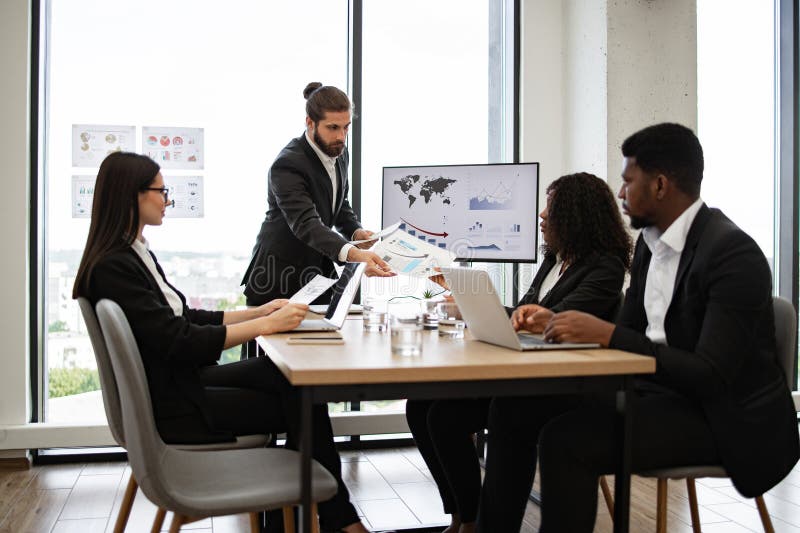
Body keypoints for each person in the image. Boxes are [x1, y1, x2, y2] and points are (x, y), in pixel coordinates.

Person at [476, 123, 800, 532]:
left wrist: (605, 333)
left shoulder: (733, 255)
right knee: (513, 409)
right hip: (653, 392)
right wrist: (590, 332)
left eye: (629, 181)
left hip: (722, 419)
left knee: (566, 441)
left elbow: (711, 376)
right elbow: (629, 332)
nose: (620, 193)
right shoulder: (649, 244)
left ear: (660, 185)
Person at [73, 152, 373, 533]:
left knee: (289, 381)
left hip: (179, 384)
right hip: (177, 406)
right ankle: (334, 519)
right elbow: (180, 340)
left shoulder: (130, 252)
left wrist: (259, 313)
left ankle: (309, 519)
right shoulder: (116, 266)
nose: (167, 200)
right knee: (300, 399)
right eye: (161, 191)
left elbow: (183, 317)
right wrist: (265, 325)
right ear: (131, 195)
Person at [406, 172, 633, 533]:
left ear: (577, 214)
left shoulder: (605, 268)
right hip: (531, 373)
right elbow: (525, 313)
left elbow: (554, 319)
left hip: (569, 385)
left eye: (551, 207)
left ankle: (490, 525)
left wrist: (508, 314)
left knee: (501, 411)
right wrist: (469, 302)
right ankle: (465, 516)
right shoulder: (554, 260)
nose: (541, 215)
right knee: (424, 406)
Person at [241, 82, 393, 311]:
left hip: (318, 276)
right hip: (277, 277)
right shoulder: (288, 164)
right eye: (333, 127)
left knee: (326, 332)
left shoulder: (339, 151)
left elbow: (338, 203)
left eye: (346, 127)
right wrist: (354, 254)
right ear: (310, 123)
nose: (341, 136)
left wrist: (355, 231)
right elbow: (305, 224)